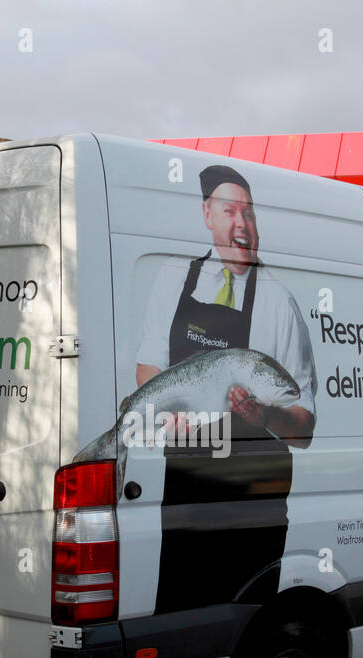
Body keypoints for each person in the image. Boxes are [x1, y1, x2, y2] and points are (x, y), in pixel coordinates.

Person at [133, 165, 317, 613]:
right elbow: (148, 368)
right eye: (230, 211)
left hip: (255, 503)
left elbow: (305, 427)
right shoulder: (174, 279)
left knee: (248, 618)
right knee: (179, 612)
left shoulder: (279, 302)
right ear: (207, 215)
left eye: (250, 214)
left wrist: (265, 416)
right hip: (183, 492)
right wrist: (168, 410)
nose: (242, 224)